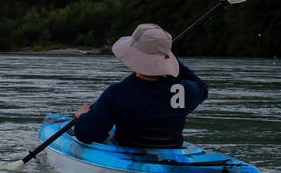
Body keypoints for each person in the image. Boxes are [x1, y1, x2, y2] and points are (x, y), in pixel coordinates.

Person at [73, 23, 207, 148]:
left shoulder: (118, 92)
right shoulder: (184, 90)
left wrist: (82, 117)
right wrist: (167, 58)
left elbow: (87, 134)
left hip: (128, 151)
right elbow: (201, 86)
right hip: (171, 150)